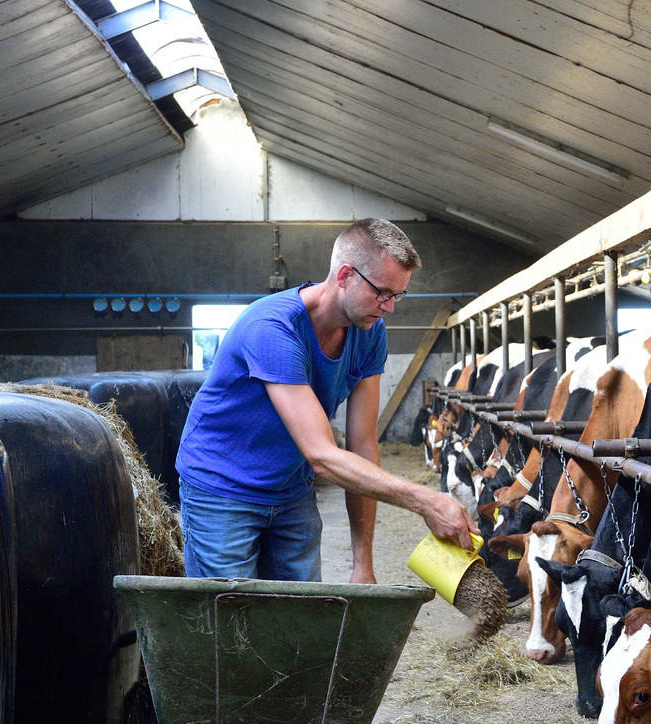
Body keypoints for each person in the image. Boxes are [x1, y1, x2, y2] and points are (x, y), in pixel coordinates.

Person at [176, 217, 477, 585]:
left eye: (397, 295)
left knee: (303, 611)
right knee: (231, 610)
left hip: (290, 488)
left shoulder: (369, 332)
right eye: (383, 293)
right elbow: (320, 454)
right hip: (223, 487)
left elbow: (363, 445)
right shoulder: (272, 329)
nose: (389, 307)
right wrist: (426, 501)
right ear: (345, 275)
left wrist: (363, 564)